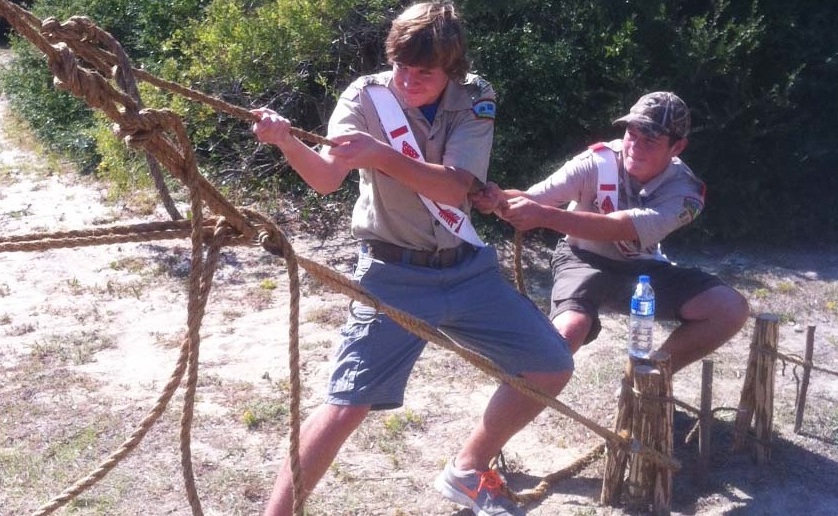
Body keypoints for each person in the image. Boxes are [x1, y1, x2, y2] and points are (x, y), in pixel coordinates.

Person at [250, 2, 573, 515]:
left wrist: (380, 154)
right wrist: (287, 142)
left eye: (425, 72)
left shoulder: (476, 96)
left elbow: (451, 191)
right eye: (401, 67)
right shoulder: (365, 96)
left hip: (467, 270)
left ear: (453, 69)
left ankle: (467, 468)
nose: (409, 80)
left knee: (551, 365)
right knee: (346, 406)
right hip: (391, 274)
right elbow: (326, 178)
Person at [471, 92, 750, 374]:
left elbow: (619, 227)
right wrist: (497, 200)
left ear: (677, 147)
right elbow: (534, 199)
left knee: (728, 308)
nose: (635, 147)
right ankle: (525, 384)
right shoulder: (597, 162)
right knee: (567, 334)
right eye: (632, 134)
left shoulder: (686, 193)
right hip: (581, 260)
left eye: (650, 139)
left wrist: (543, 217)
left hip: (643, 269)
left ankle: (646, 381)